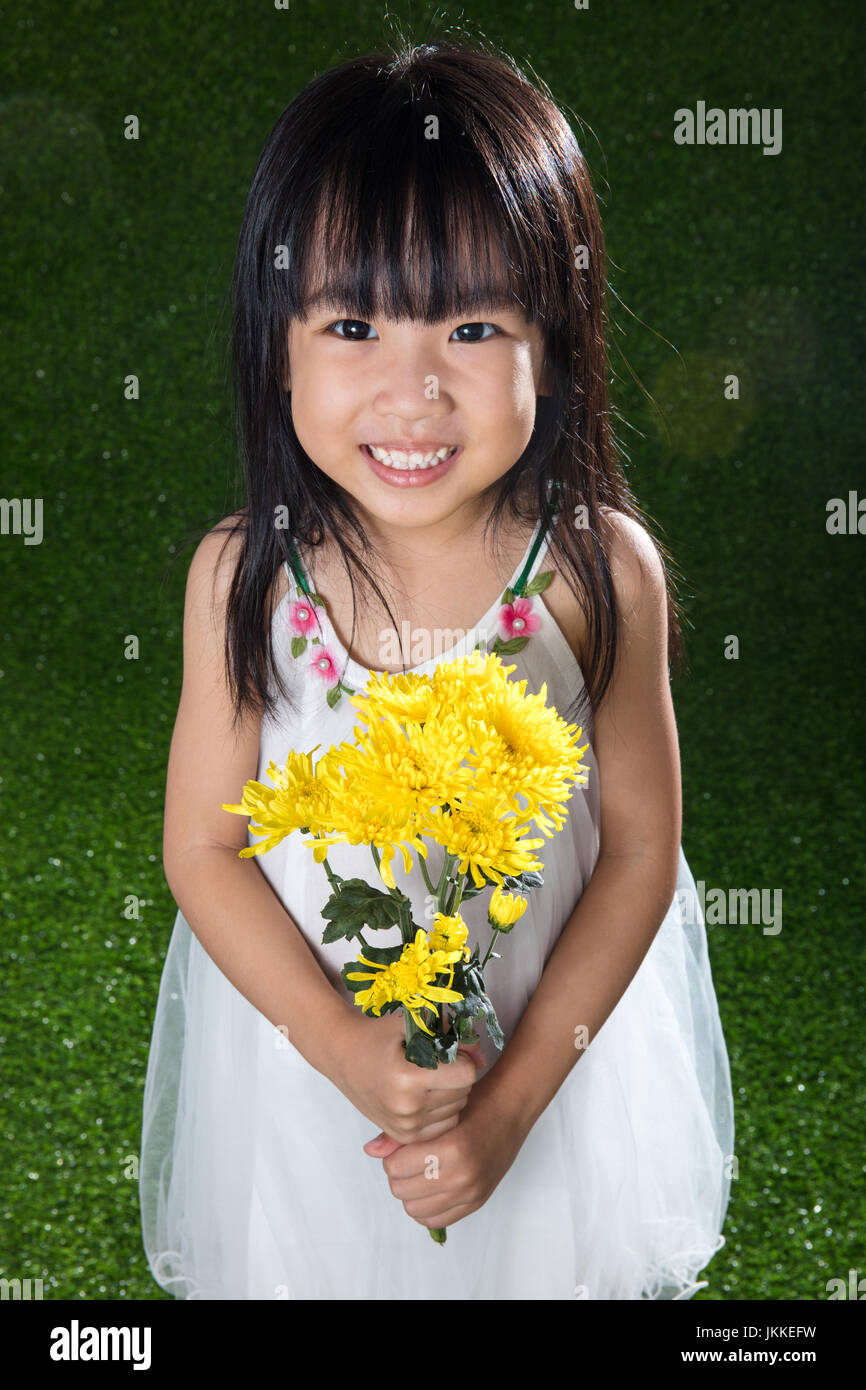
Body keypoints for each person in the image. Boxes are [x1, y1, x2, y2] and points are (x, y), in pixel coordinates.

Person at [139, 36, 735, 1300]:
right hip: (311, 1080)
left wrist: (508, 1110)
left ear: (552, 341)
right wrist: (350, 1055)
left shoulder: (593, 572)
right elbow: (203, 847)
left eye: (471, 326)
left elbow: (639, 849)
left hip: (539, 1077)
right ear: (277, 343)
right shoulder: (243, 576)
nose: (411, 393)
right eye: (352, 325)